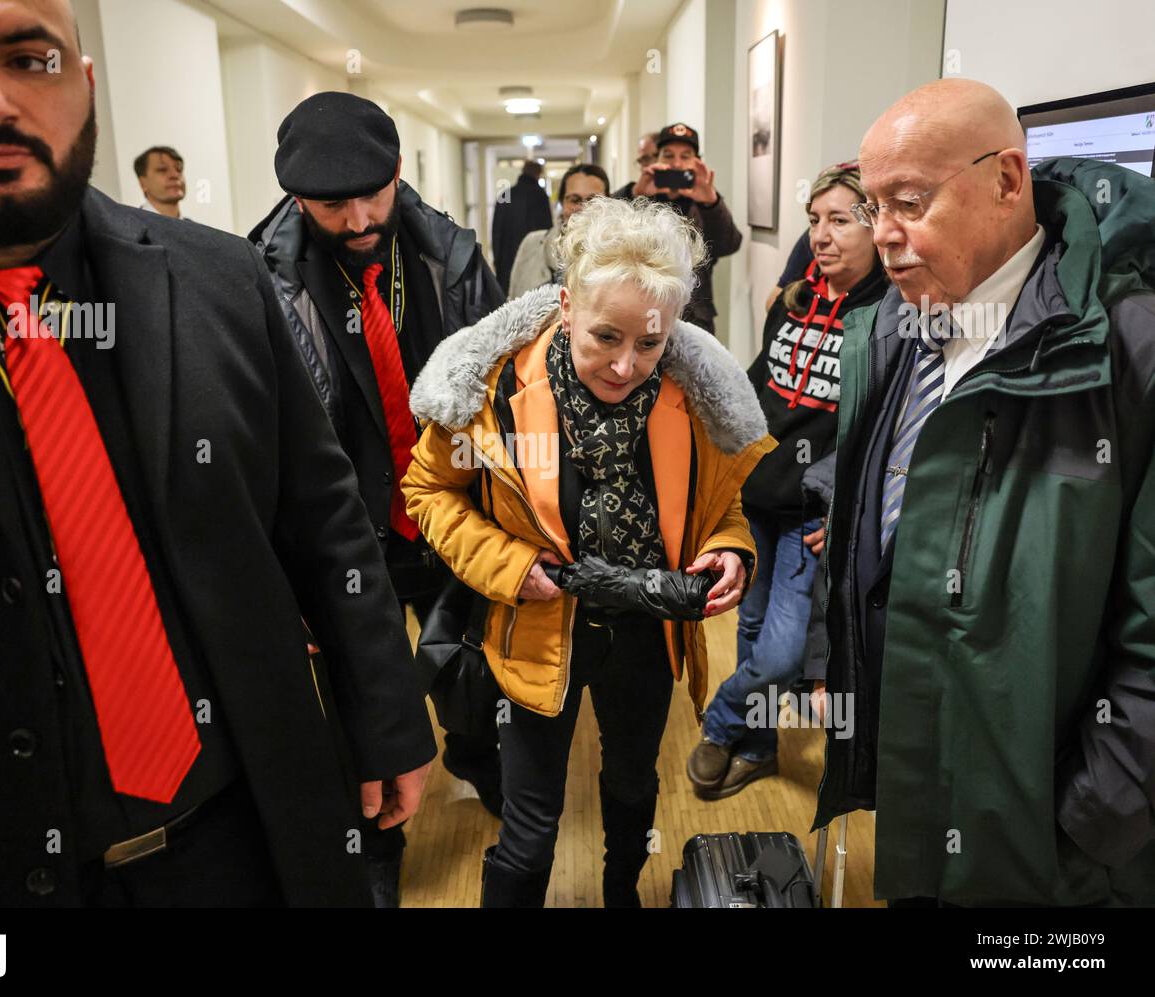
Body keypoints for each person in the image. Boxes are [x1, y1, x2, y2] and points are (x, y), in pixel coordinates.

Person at [0, 0, 435, 907]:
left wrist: (388, 718)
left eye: (28, 57)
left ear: (84, 88)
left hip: (250, 833)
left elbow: (321, 517)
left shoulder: (218, 278)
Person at [812, 78, 1155, 906]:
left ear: (1007, 179)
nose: (883, 237)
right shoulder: (894, 325)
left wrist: (1088, 821)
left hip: (1053, 849)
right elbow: (869, 522)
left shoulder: (1130, 347)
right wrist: (842, 662)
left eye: (911, 201)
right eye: (872, 205)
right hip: (915, 788)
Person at [403, 197, 776, 907]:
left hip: (645, 632)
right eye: (605, 336)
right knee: (529, 827)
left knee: (634, 787)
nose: (625, 364)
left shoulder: (690, 395)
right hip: (537, 632)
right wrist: (510, 565)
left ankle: (620, 891)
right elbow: (427, 489)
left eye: (650, 343)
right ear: (567, 306)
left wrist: (730, 550)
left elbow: (718, 505)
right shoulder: (495, 391)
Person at [248, 90, 506, 905]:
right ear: (296, 198)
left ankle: (473, 755)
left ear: (398, 173)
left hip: (444, 512)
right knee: (361, 693)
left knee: (464, 660)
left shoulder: (454, 257)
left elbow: (507, 386)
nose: (359, 218)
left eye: (374, 194)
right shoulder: (261, 276)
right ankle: (376, 841)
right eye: (332, 205)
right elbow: (255, 431)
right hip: (341, 528)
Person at [687, 163, 887, 799]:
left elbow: (880, 432)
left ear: (877, 226)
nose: (820, 236)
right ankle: (759, 746)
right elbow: (756, 391)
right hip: (756, 496)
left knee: (779, 656)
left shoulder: (889, 319)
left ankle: (721, 722)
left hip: (811, 511)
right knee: (750, 628)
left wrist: (850, 507)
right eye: (814, 221)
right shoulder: (795, 300)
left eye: (839, 221)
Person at [620, 122, 742, 334]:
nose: (676, 163)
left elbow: (729, 244)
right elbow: (608, 234)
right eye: (668, 155)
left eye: (685, 156)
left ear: (697, 163)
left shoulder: (705, 203)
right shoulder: (640, 195)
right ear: (656, 159)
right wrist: (636, 195)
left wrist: (710, 202)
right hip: (642, 312)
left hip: (694, 319)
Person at [508, 163, 608, 297]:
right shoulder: (532, 244)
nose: (584, 208)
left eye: (593, 200)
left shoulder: (622, 252)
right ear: (562, 203)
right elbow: (513, 304)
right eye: (574, 200)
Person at [491, 160, 551, 287]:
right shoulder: (540, 196)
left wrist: (497, 260)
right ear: (538, 174)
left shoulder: (505, 195)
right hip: (533, 261)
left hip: (506, 261)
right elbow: (546, 232)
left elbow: (496, 231)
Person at [134, 144, 185, 218]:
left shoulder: (198, 228)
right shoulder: (127, 227)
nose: (175, 175)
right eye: (162, 169)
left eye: (178, 169)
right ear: (143, 183)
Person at [611, 132, 659, 200]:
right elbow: (610, 202)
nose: (643, 168)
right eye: (640, 161)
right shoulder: (640, 190)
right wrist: (634, 192)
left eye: (646, 159)